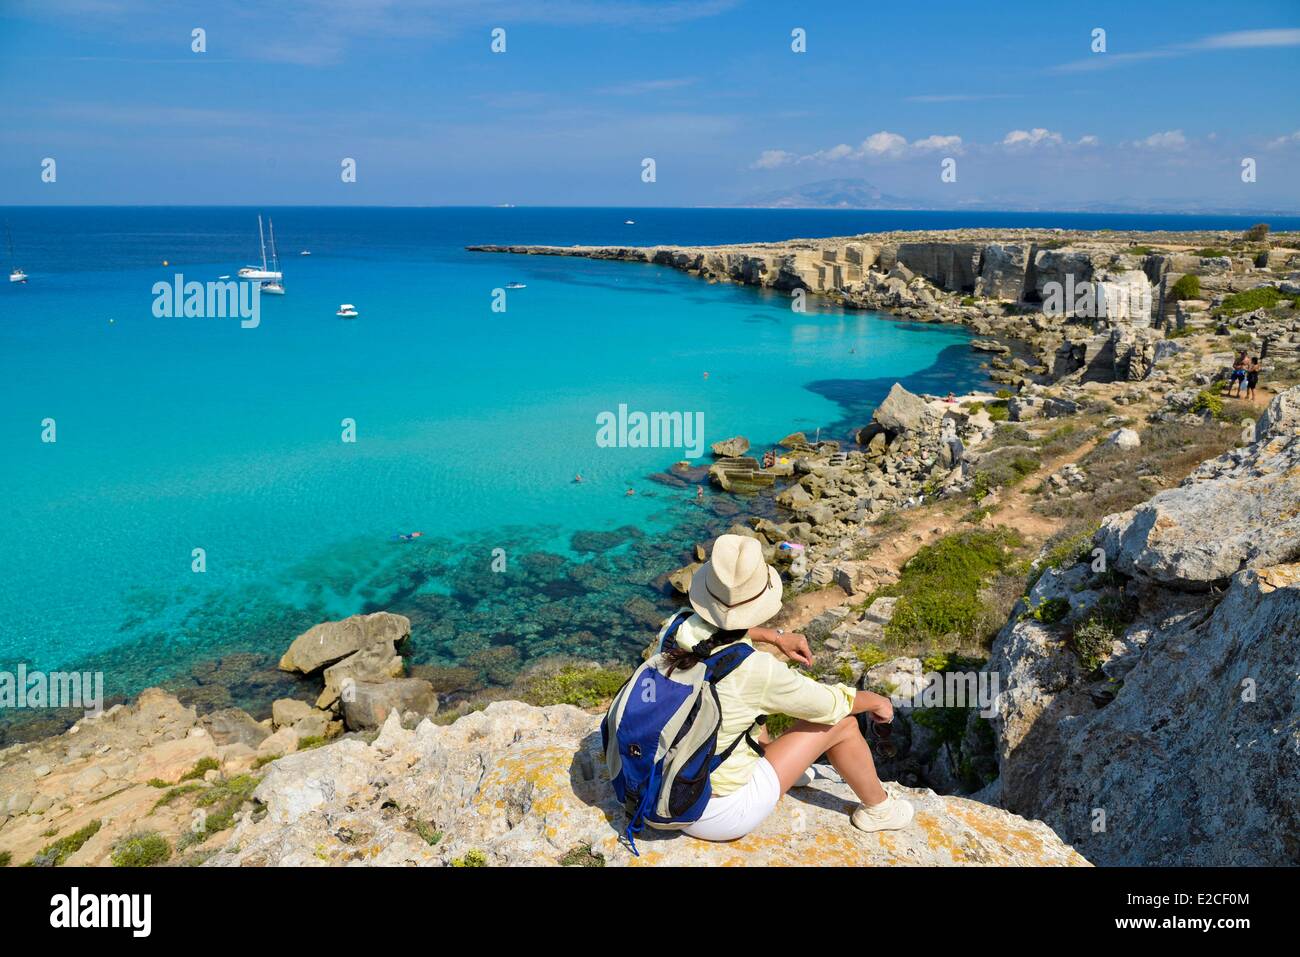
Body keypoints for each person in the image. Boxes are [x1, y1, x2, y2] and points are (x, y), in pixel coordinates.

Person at [656, 534, 913, 842]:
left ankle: (778, 767)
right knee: (841, 724)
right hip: (712, 812)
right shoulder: (756, 670)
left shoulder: (676, 627)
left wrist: (775, 637)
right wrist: (876, 701)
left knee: (747, 710)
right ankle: (879, 809)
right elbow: (828, 705)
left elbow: (718, 629)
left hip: (658, 782)